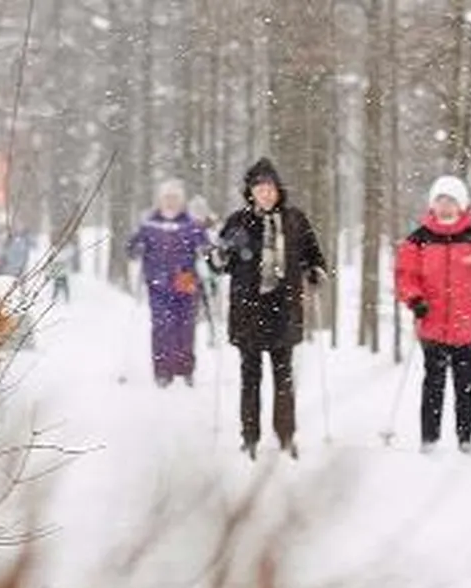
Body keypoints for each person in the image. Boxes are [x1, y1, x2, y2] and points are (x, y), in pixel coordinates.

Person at [209, 158, 327, 459]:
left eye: (270, 188)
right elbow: (219, 264)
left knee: (284, 377)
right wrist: (220, 255)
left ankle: (286, 436)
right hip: (248, 309)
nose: (266, 193)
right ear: (250, 192)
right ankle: (249, 437)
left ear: (278, 190)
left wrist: (314, 270)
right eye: (260, 188)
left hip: (283, 309)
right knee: (250, 377)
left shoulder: (294, 220)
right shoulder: (238, 222)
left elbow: (313, 256)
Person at [394, 175, 471, 453]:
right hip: (432, 322)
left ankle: (465, 439)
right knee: (433, 382)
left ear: (462, 205)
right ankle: (429, 439)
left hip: (469, 324)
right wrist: (414, 299)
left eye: (451, 201)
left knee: (465, 385)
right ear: (432, 205)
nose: (445, 207)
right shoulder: (419, 238)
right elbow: (405, 275)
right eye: (440, 201)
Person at [126, 179, 208, 387]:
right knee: (162, 326)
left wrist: (207, 249)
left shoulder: (190, 223)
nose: (170, 202)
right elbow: (132, 246)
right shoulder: (149, 224)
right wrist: (134, 249)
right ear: (159, 201)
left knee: (185, 326)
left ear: (181, 202)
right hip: (158, 282)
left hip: (185, 280)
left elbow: (206, 245)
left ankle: (185, 369)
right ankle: (163, 371)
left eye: (175, 198)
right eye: (167, 198)